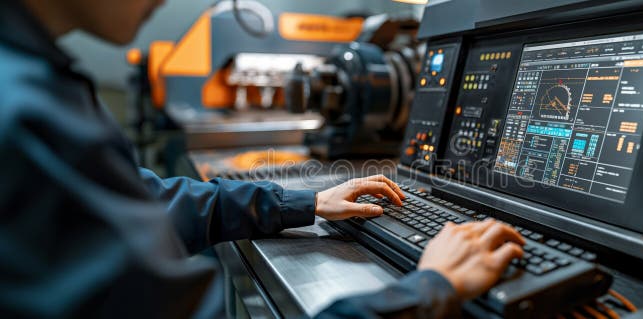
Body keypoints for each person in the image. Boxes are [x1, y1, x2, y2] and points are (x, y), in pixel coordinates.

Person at [0, 0, 525, 318]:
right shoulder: (25, 119)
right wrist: (429, 290)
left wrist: (306, 201)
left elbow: (145, 200)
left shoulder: (30, 84)